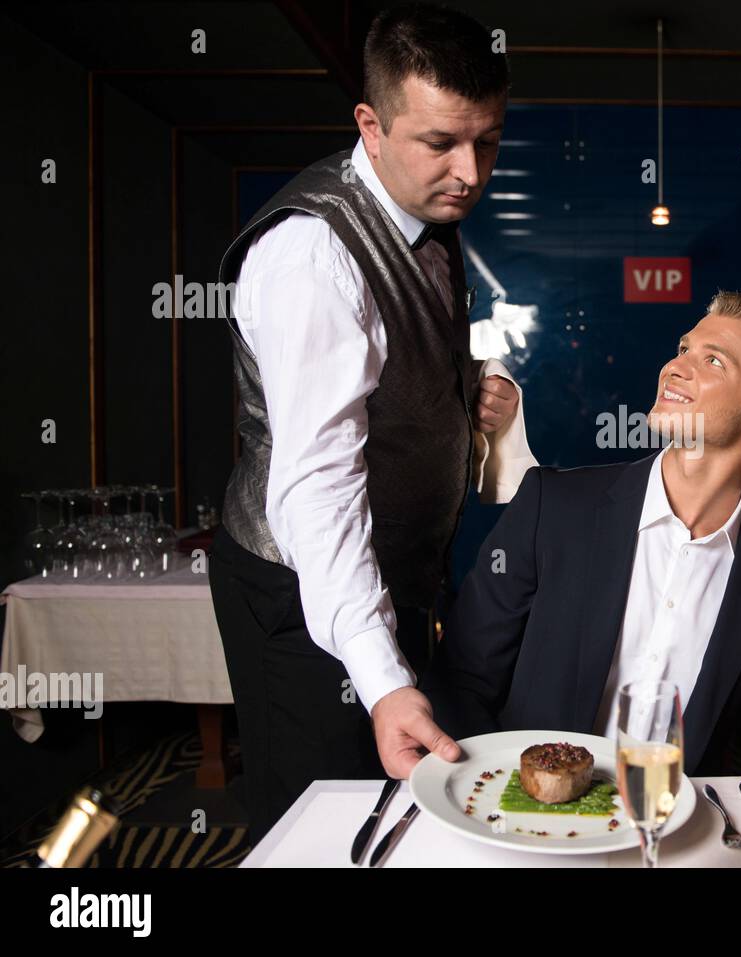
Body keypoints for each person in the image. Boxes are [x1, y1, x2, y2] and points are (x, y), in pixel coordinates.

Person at [209, 2, 536, 844]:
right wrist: (385, 677)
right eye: (442, 143)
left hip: (394, 576)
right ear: (373, 123)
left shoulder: (421, 210)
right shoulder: (310, 257)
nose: (470, 171)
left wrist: (466, 391)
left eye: (488, 141)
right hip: (300, 584)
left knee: (395, 818)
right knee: (319, 828)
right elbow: (315, 488)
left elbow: (383, 359)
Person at [401, 291, 741, 775]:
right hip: (527, 821)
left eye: (713, 361)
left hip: (677, 832)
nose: (676, 367)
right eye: (684, 349)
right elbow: (461, 681)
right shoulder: (551, 507)